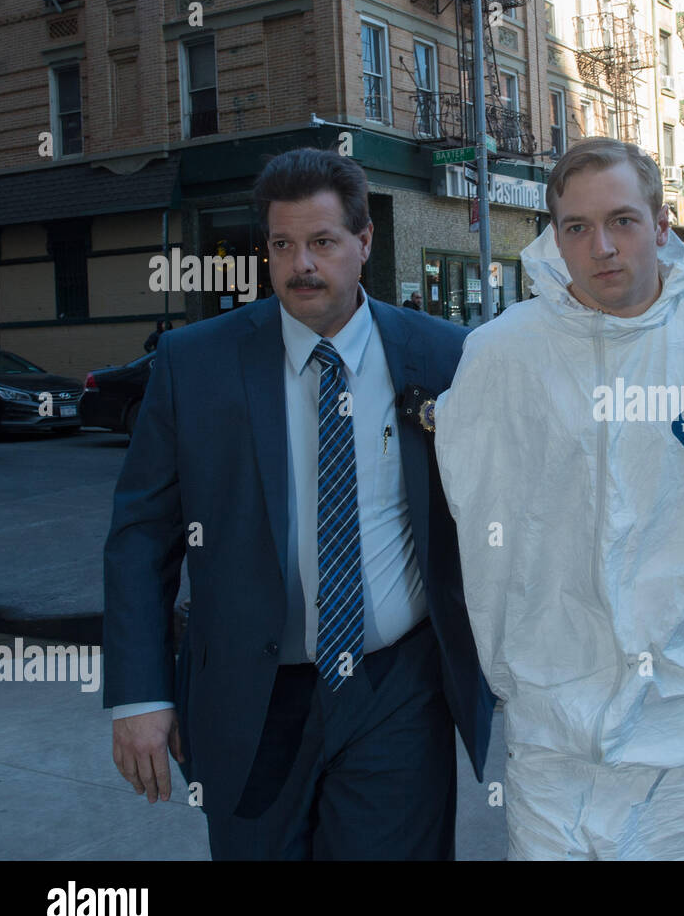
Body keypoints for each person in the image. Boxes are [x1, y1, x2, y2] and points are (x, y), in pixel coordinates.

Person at [103, 147, 494, 859]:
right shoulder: (195, 364)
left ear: (365, 241)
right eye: (282, 245)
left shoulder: (446, 356)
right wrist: (139, 694)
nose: (301, 265)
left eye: (322, 242)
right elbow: (139, 535)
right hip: (251, 691)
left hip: (396, 686)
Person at [434, 137, 684, 860]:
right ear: (555, 235)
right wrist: (520, 658)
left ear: (662, 224)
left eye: (623, 221)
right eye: (577, 227)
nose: (601, 246)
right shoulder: (503, 358)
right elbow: (482, 517)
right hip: (554, 714)